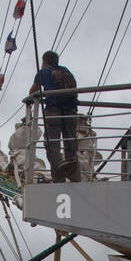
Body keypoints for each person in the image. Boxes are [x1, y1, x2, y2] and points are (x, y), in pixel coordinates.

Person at [29, 51, 80, 183]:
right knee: (70, 142)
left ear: (44, 61)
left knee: (52, 143)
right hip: (70, 110)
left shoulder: (43, 73)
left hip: (53, 110)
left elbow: (32, 92)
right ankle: (75, 175)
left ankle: (59, 175)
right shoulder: (65, 71)